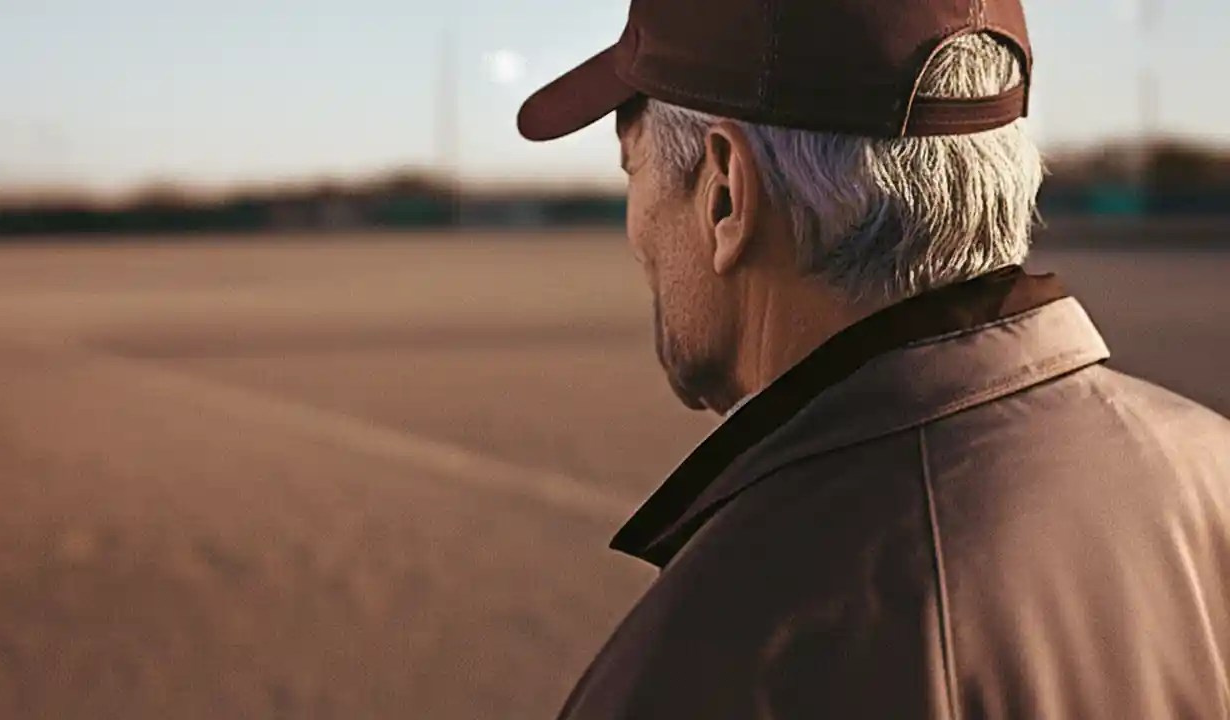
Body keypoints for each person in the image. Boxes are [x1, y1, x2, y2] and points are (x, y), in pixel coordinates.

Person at [517, 0, 1230, 717]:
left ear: (726, 194)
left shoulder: (721, 658)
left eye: (630, 169)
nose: (634, 232)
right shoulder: (1210, 467)